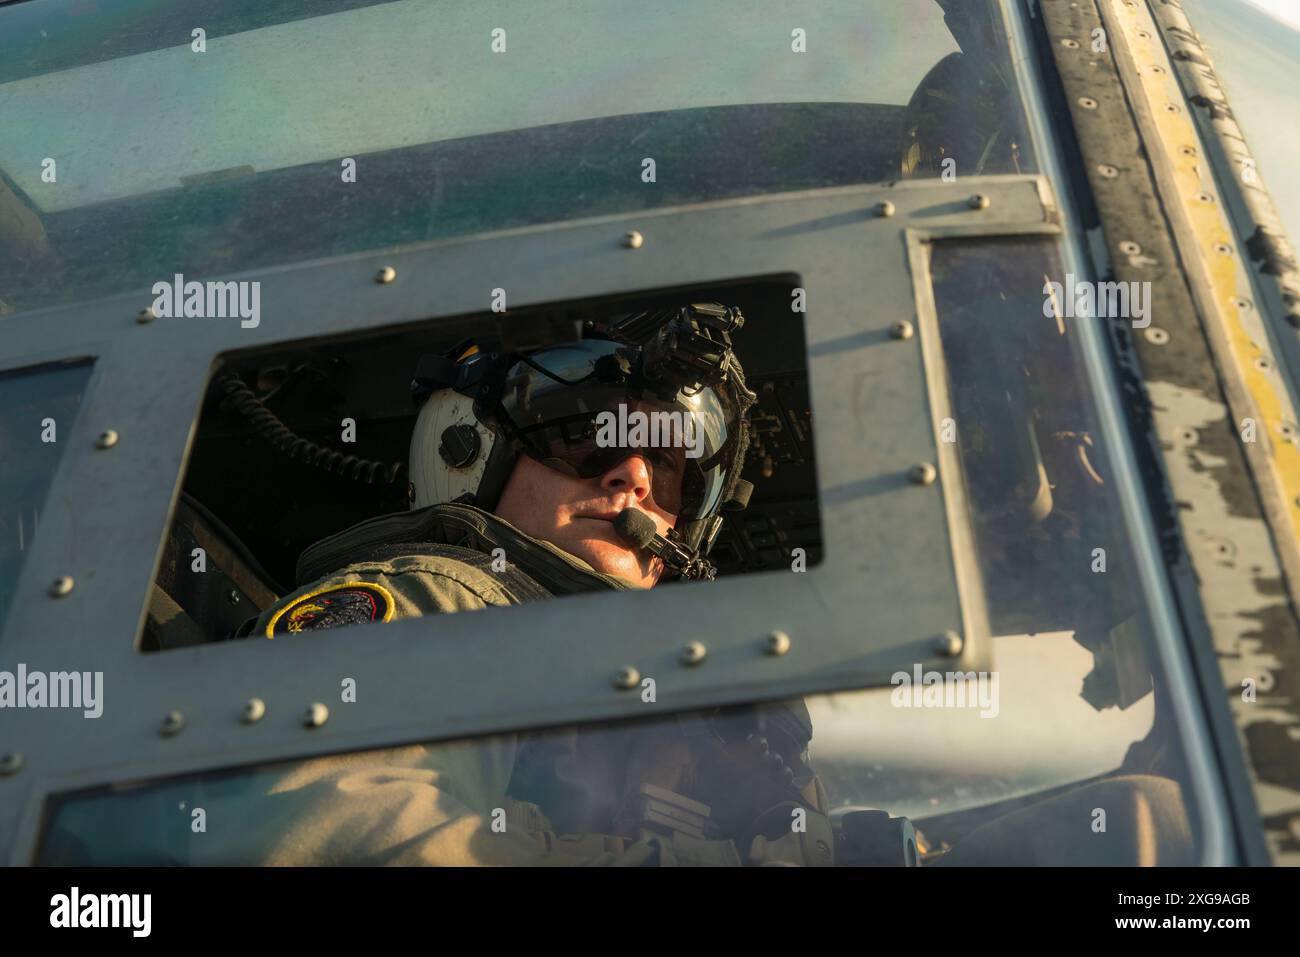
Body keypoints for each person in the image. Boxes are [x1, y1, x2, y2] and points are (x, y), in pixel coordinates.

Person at [239, 303, 836, 865]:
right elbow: (330, 814)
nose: (633, 474)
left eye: (668, 465)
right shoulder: (441, 597)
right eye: (586, 438)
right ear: (471, 455)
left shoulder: (666, 688)